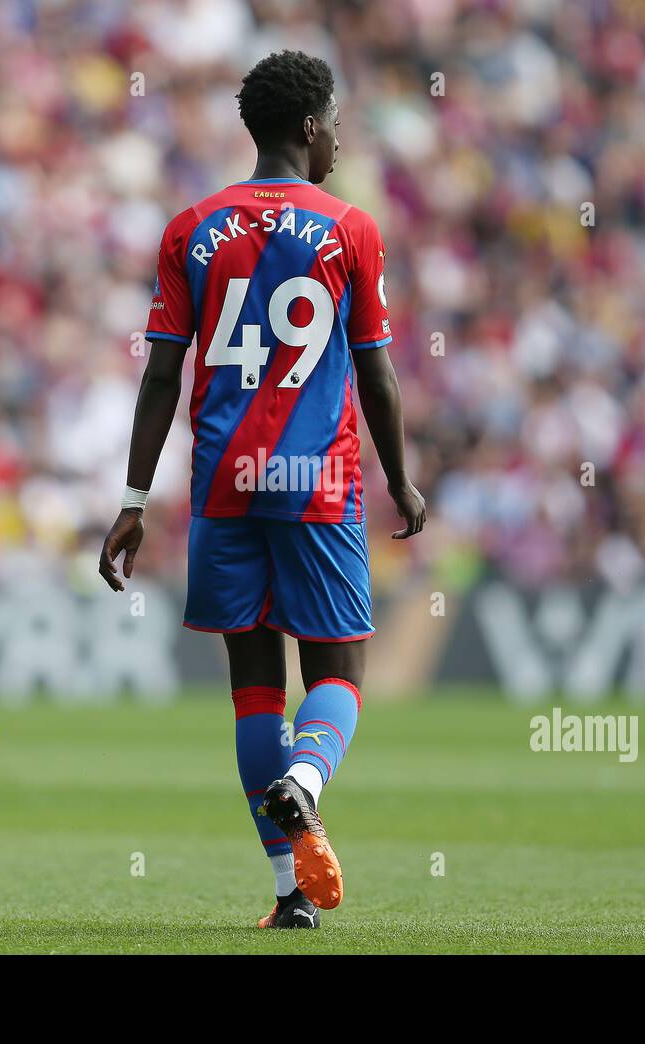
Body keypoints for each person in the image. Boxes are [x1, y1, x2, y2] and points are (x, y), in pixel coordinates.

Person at [99, 50, 425, 929]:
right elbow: (379, 377)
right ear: (311, 127)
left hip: (225, 487)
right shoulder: (351, 228)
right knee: (341, 669)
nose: (341, 139)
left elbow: (160, 377)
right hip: (317, 483)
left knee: (253, 686)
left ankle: (288, 896)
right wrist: (402, 479)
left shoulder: (190, 227)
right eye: (338, 124)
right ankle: (305, 780)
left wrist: (132, 501)